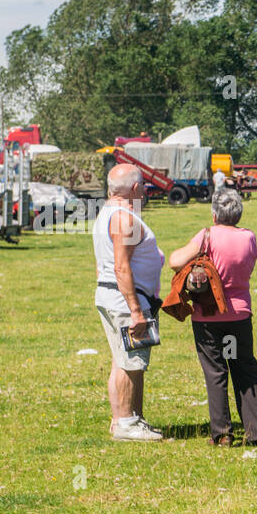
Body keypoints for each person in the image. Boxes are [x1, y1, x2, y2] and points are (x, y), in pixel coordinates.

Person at [168, 185, 257, 447]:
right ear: (238, 213)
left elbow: (174, 261)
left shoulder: (207, 236)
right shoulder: (249, 237)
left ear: (214, 214)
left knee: (215, 373)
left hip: (208, 317)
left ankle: (223, 433)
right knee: (244, 371)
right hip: (238, 316)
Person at [94, 163, 165, 442]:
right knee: (131, 362)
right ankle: (126, 423)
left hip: (112, 295)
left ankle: (125, 419)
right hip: (126, 300)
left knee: (121, 360)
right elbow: (122, 268)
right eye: (144, 186)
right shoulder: (126, 219)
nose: (146, 191)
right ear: (135, 188)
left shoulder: (105, 214)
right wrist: (136, 310)